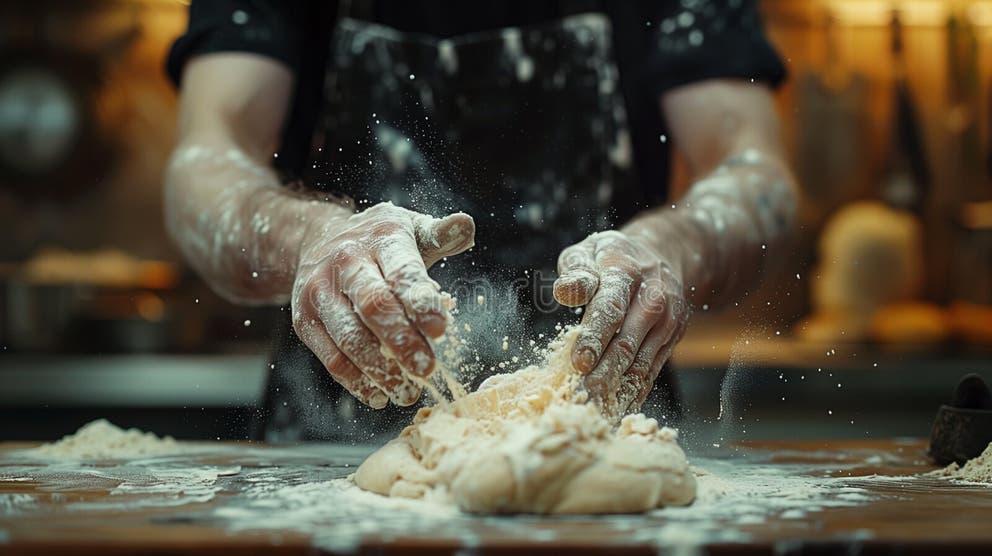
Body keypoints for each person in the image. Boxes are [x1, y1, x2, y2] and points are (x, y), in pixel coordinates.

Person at [164, 1, 797, 441]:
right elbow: (205, 163)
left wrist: (674, 244)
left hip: (607, 429)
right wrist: (311, 237)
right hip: (328, 443)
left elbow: (755, 173)